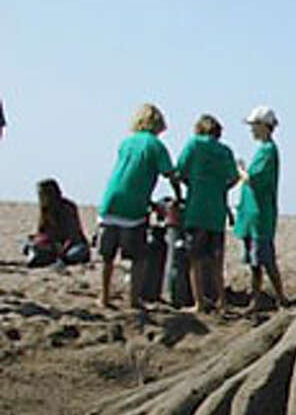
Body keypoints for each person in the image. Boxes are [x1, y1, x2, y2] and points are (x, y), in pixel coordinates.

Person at [97, 103, 180, 310]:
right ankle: (133, 300)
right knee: (138, 257)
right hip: (133, 208)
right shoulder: (156, 146)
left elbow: (128, 174)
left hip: (110, 201)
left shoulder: (127, 143)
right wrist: (179, 196)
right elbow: (170, 175)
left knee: (108, 256)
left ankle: (104, 297)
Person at [176, 114, 239, 314]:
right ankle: (222, 300)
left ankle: (199, 302)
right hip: (217, 211)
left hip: (197, 209)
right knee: (216, 261)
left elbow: (180, 171)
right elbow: (234, 177)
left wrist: (191, 185)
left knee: (195, 260)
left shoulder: (194, 145)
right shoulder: (225, 151)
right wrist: (221, 188)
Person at [234, 105, 287, 316]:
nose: (252, 130)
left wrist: (239, 169)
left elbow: (253, 179)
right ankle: (257, 299)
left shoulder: (267, 151)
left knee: (265, 259)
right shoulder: (263, 150)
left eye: (254, 126)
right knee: (256, 262)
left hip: (260, 214)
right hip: (252, 213)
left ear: (264, 127)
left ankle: (280, 297)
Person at [25, 179, 90, 266]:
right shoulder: (46, 210)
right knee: (28, 246)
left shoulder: (68, 208)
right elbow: (42, 231)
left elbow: (73, 235)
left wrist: (61, 249)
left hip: (72, 245)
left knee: (75, 253)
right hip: (54, 245)